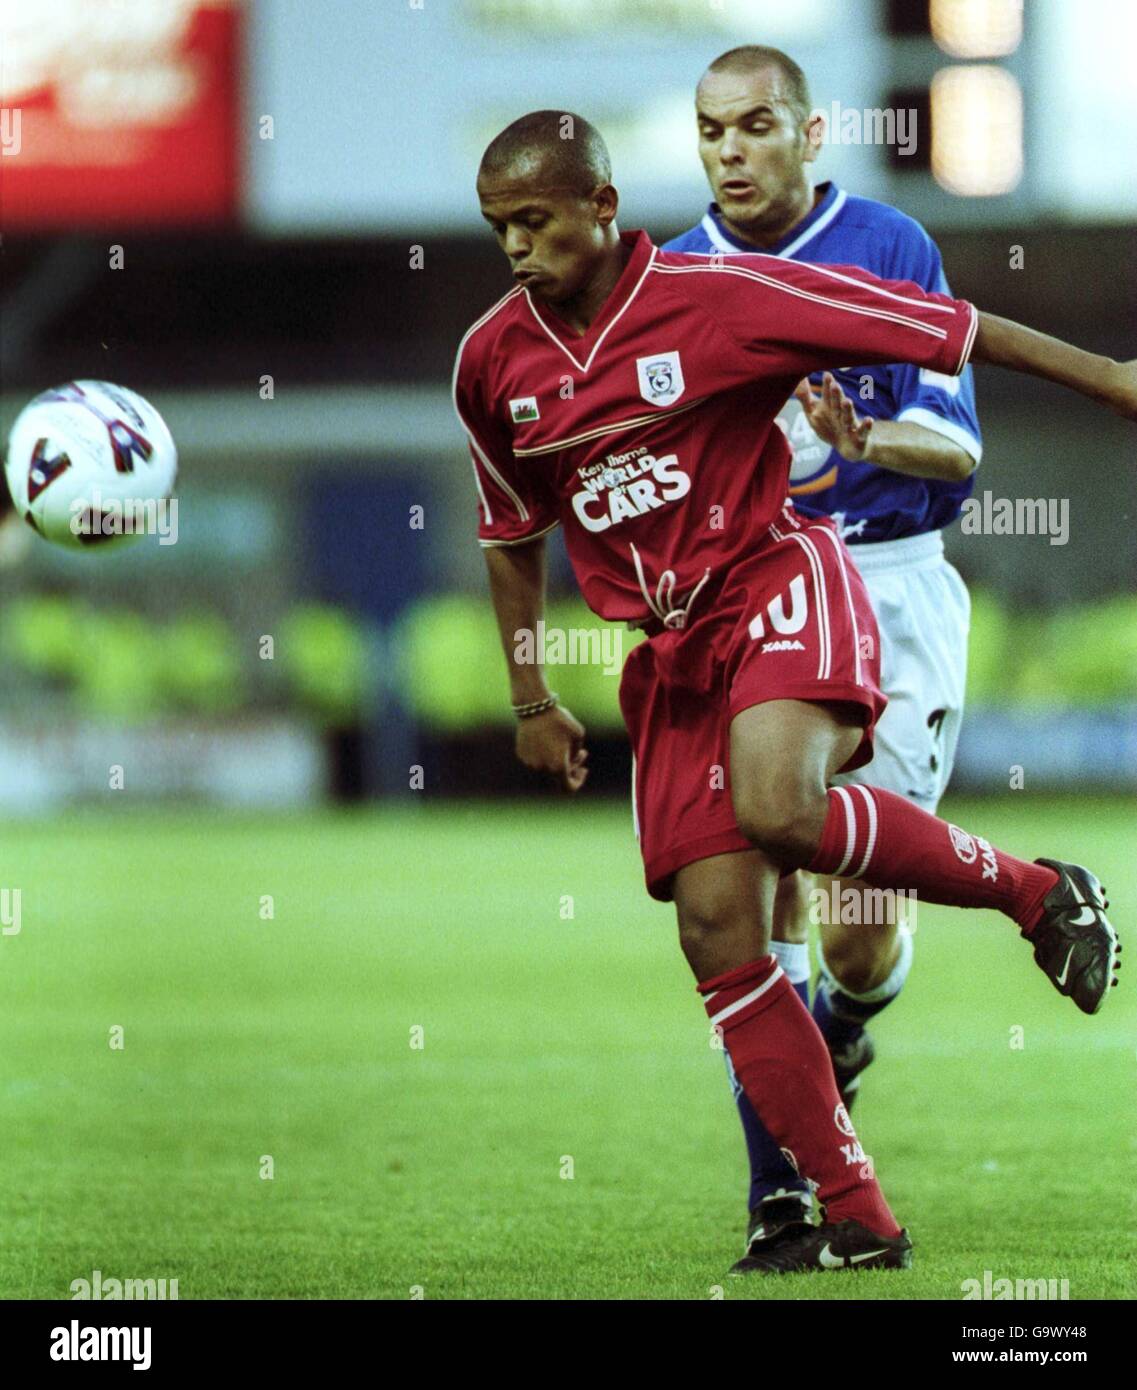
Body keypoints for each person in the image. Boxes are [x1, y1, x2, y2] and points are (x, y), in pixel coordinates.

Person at [453, 110, 1125, 1275]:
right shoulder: (491, 364)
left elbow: (945, 331)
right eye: (498, 228)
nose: (515, 246)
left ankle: (1035, 892)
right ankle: (849, 1213)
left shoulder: (717, 297)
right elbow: (513, 535)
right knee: (719, 933)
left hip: (774, 579)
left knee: (777, 808)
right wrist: (531, 698)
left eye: (536, 221)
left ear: (603, 209)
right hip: (667, 657)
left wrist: (1110, 378)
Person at [664, 45, 984, 1268]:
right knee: (756, 888)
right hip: (749, 602)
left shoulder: (890, 247)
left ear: (810, 135)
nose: (730, 153)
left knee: (857, 929)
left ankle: (844, 1026)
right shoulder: (676, 278)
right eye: (710, 133)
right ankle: (781, 1198)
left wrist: (867, 442)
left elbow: (956, 457)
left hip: (889, 591)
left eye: (754, 127)